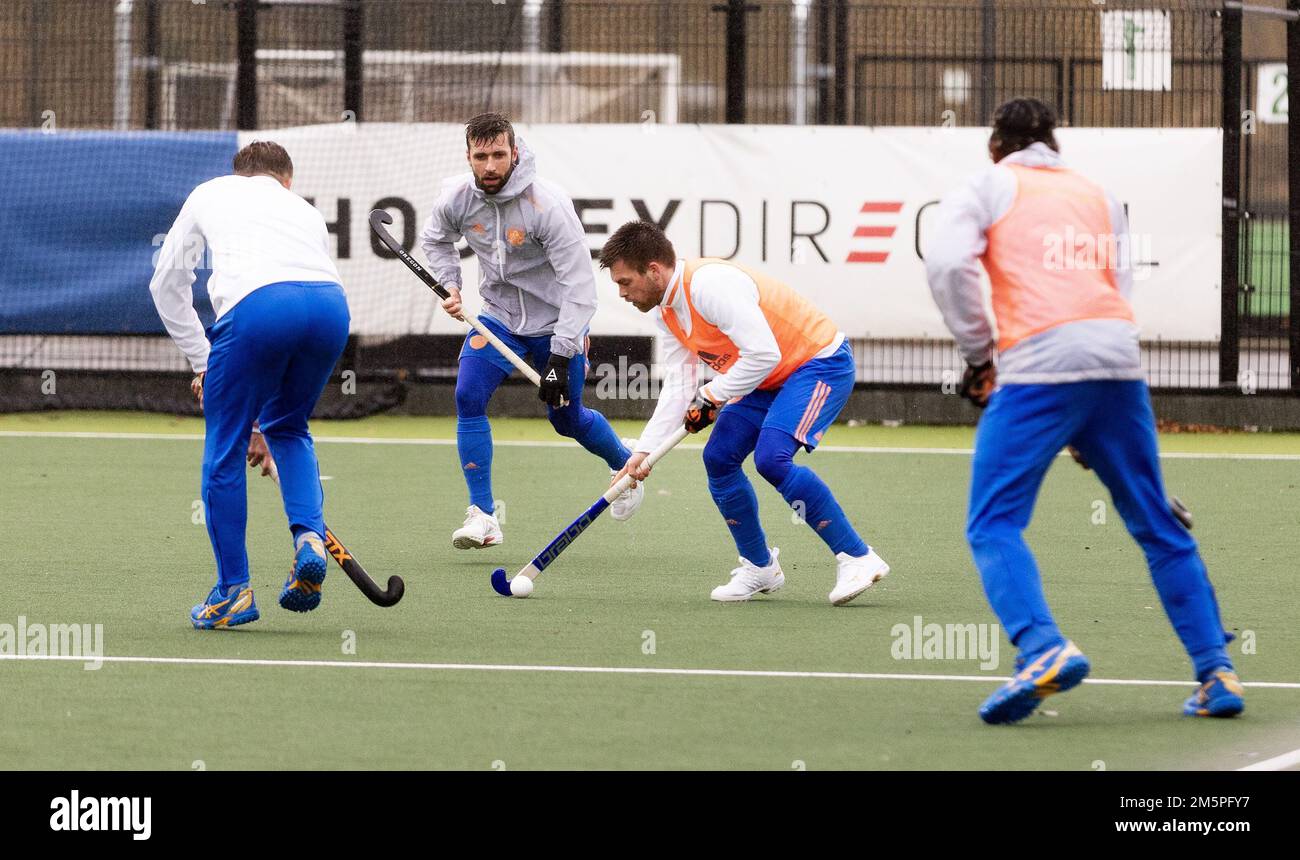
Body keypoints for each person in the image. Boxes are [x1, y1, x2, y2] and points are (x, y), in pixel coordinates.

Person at [924, 97, 1243, 723]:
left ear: (996, 147)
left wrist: (981, 354)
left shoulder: (988, 183)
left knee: (993, 523)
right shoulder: (1096, 193)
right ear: (1056, 147)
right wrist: (1084, 424)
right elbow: (1115, 288)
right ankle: (1217, 673)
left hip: (1038, 366)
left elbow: (945, 263)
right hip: (1116, 358)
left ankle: (1042, 648)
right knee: (1157, 523)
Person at [600, 220, 889, 605]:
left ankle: (857, 556)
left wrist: (713, 395)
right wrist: (644, 452)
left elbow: (764, 353)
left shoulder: (708, 286)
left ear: (653, 270)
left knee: (772, 458)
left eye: (624, 282)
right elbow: (680, 385)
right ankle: (760, 567)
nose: (621, 293)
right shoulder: (664, 310)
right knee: (719, 457)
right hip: (763, 378)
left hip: (817, 364)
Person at [149, 140, 351, 628]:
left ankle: (233, 592)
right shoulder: (302, 209)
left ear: (239, 174)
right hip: (330, 308)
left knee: (225, 447)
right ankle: (308, 538)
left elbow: (166, 285)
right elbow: (295, 301)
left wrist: (203, 361)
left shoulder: (210, 191)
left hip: (258, 308)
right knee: (290, 428)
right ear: (287, 180)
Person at [420, 113, 640, 550]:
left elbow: (580, 287)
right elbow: (435, 240)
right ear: (468, 156)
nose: (489, 167)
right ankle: (483, 516)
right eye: (480, 156)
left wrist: (561, 354)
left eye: (499, 155)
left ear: (514, 153)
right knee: (467, 396)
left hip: (558, 324)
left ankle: (626, 468)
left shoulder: (548, 205)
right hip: (498, 319)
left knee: (566, 419)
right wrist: (451, 283)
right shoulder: (456, 198)